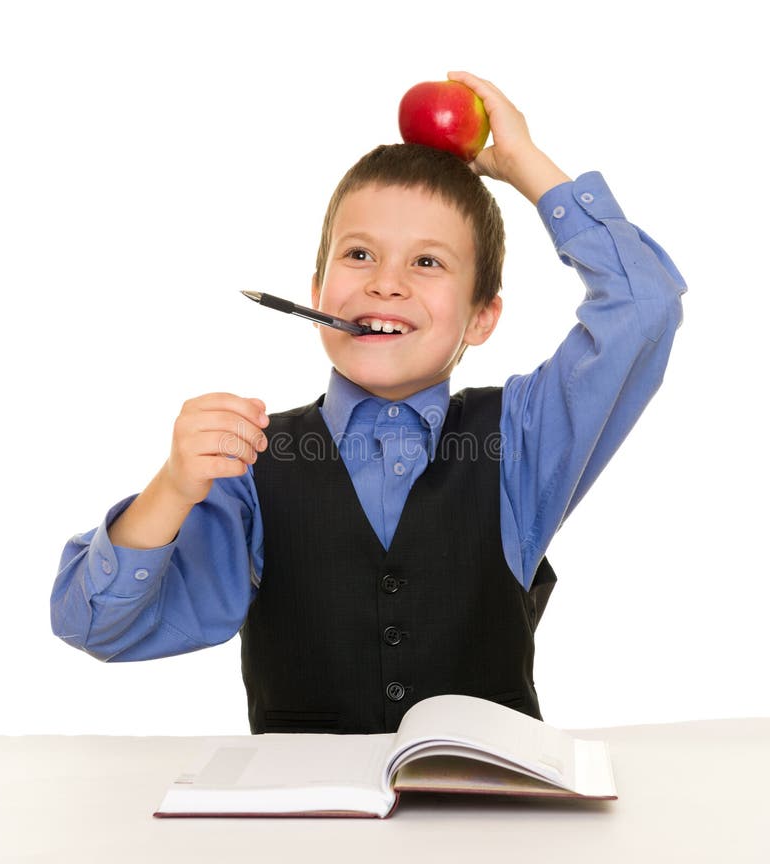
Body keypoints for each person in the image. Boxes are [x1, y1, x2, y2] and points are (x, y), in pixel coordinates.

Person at [51, 71, 686, 734]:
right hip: (309, 830)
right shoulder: (249, 469)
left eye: (428, 263)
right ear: (318, 289)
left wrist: (527, 168)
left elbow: (644, 309)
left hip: (491, 831)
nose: (385, 284)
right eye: (359, 255)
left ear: (481, 318)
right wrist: (172, 489)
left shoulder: (524, 440)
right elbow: (94, 625)